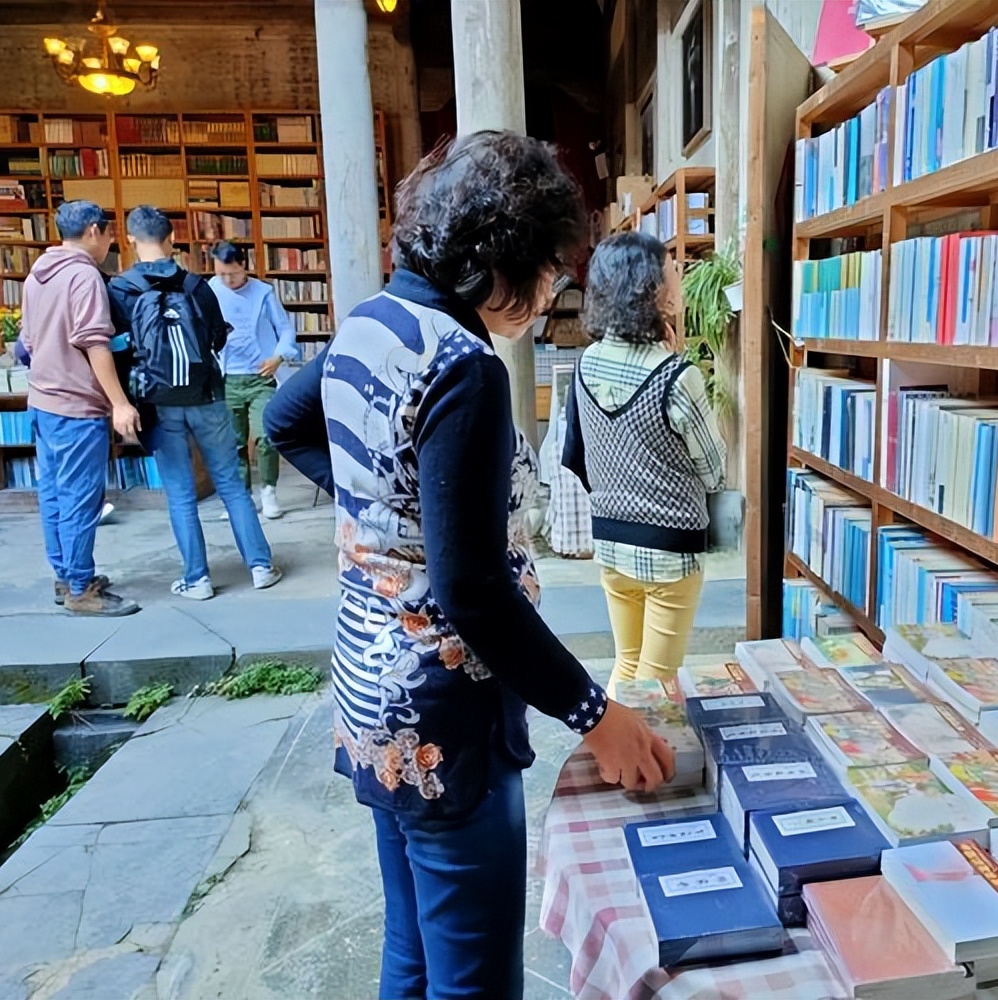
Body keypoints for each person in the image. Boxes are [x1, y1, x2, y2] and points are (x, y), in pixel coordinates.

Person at [266, 131, 674, 1000]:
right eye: (548, 268)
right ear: (501, 260)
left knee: (413, 946)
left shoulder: (373, 322)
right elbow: (474, 591)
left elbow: (285, 421)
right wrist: (596, 715)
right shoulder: (467, 369)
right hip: (445, 715)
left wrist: (383, 521)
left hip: (367, 691)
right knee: (475, 977)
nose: (550, 288)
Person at [562, 232, 726, 694]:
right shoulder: (677, 375)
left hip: (612, 543)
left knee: (628, 663)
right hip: (671, 550)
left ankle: (612, 763)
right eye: (672, 268)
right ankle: (636, 765)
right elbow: (715, 470)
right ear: (650, 288)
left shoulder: (586, 363)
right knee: (657, 684)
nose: (679, 275)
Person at [108, 205, 282, 601]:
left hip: (157, 402)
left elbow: (114, 348)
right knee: (231, 484)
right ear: (172, 240)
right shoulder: (196, 286)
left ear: (131, 239)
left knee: (181, 492)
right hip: (207, 395)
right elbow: (218, 338)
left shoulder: (121, 289)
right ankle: (260, 566)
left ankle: (197, 579)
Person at [21, 200, 140, 617]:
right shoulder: (84, 276)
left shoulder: (38, 273)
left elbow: (28, 343)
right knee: (80, 499)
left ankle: (65, 576)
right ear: (93, 230)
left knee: (53, 494)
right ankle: (81, 589)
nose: (110, 242)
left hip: (41, 400)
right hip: (75, 406)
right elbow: (94, 342)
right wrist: (119, 403)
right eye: (109, 233)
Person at [208, 240, 299, 519]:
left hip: (261, 375)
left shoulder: (263, 292)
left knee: (266, 435)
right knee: (232, 442)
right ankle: (241, 497)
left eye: (232, 273)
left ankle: (268, 491)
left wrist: (279, 357)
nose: (227, 279)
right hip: (226, 378)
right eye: (221, 273)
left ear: (244, 266)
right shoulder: (210, 290)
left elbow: (285, 329)